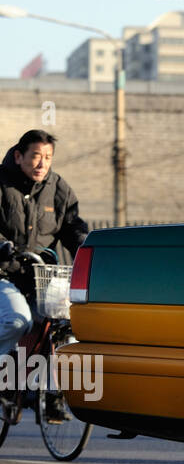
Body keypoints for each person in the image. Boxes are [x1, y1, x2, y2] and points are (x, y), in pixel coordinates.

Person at [0, 130, 90, 420]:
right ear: (18, 156)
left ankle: (52, 395)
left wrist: (86, 250)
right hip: (5, 272)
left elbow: (73, 226)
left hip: (42, 277)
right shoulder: (2, 184)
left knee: (66, 327)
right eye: (36, 156)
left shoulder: (58, 188)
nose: (42, 163)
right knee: (17, 320)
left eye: (48, 158)